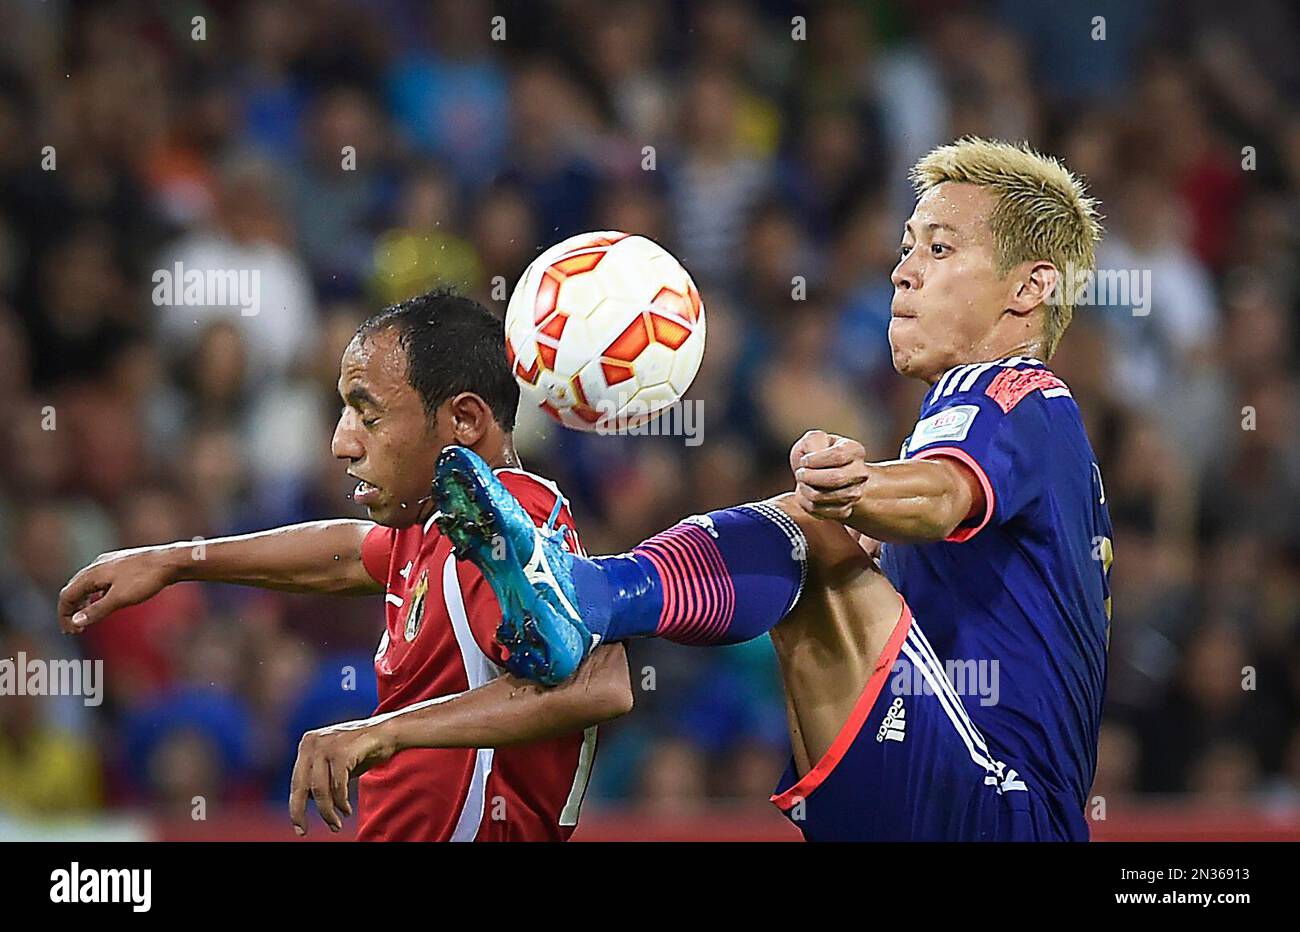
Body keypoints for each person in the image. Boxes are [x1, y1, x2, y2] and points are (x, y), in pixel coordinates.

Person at [433, 138, 1114, 841]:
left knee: (811, 534)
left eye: (939, 250)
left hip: (994, 804)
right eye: (906, 247)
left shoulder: (1019, 394)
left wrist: (854, 488)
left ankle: (588, 598)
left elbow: (943, 497)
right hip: (970, 798)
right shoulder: (1012, 428)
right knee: (816, 555)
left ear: (1031, 288)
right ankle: (586, 599)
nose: (902, 272)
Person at [58, 291, 633, 840]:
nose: (342, 443)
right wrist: (176, 561)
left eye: (370, 416)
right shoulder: (438, 525)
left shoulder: (513, 524)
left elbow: (596, 687)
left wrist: (381, 733)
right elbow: (347, 553)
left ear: (464, 420)